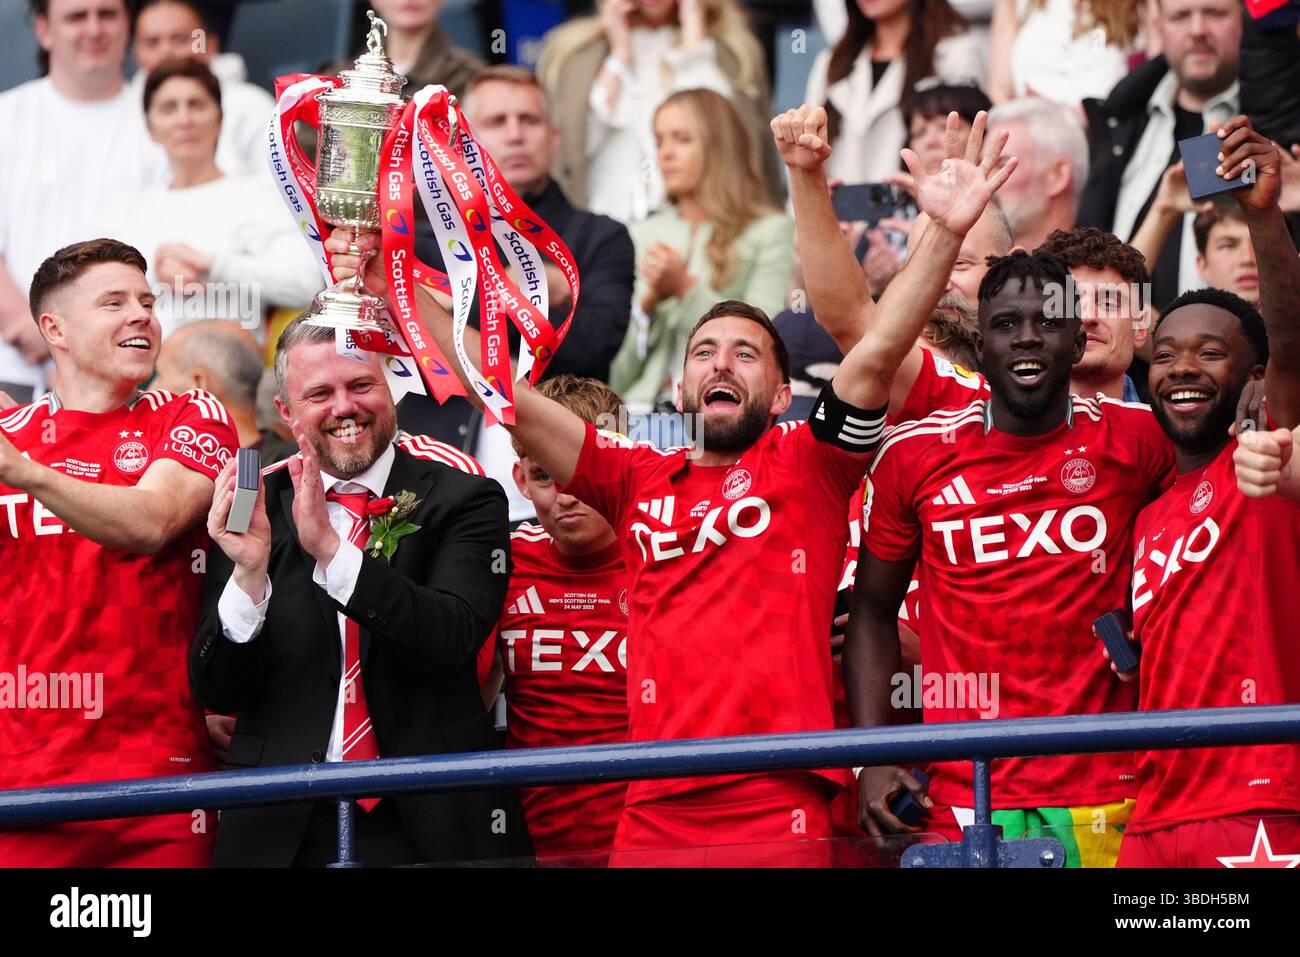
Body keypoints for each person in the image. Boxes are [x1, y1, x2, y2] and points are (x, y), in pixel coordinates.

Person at [325, 102, 1016, 866]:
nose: (722, 363)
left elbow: (877, 338)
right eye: (704, 352)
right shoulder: (632, 473)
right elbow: (498, 391)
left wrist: (943, 231)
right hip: (650, 804)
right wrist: (388, 284)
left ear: (783, 395)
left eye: (747, 354)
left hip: (777, 800)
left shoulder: (815, 465)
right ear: (681, 390)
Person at [846, 251, 1174, 867]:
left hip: (1108, 786)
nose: (1027, 337)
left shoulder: (1142, 439)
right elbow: (871, 611)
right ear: (982, 341)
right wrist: (873, 755)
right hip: (966, 788)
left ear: (1078, 342)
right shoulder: (913, 457)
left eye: (1048, 322)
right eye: (1006, 323)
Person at [191, 317, 527, 867]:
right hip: (280, 825)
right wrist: (249, 574)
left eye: (361, 385)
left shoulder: (466, 498)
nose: (344, 407)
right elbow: (219, 688)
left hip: (435, 817)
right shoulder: (257, 502)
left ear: (391, 386)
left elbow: (450, 637)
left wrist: (332, 551)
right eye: (319, 393)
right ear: (286, 411)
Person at [0, 238, 237, 866]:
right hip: (20, 782)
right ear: (54, 329)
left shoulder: (190, 412)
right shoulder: (10, 440)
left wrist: (28, 474)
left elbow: (153, 521)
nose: (141, 315)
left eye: (146, 301)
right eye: (114, 302)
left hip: (158, 779)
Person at [1116, 116, 1300, 866]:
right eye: (1164, 355)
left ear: (1255, 378)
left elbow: (1290, 336)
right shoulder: (1148, 512)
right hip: (1156, 808)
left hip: (1260, 797)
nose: (1181, 368)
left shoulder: (1267, 457)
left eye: (1210, 353)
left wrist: (1262, 217)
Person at [404, 64, 635, 524]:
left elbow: (592, 345)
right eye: (496, 122)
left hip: (566, 477)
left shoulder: (601, 237)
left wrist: (461, 305)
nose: (515, 135)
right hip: (434, 476)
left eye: (528, 120)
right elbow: (416, 351)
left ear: (553, 138)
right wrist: (534, 292)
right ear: (457, 145)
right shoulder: (419, 242)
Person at [489, 374, 630, 865]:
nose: (567, 493)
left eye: (580, 471)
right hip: (525, 838)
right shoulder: (499, 562)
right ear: (521, 479)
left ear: (618, 462)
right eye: (546, 475)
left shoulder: (668, 553)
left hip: (650, 834)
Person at [0, 0, 167, 401]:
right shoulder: (8, 118)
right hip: (17, 369)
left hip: (139, 379)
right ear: (43, 29)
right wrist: (33, 325)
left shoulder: (167, 120)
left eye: (107, 14)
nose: (94, 29)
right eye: (76, 16)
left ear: (127, 24)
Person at [100, 58, 322, 339]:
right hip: (139, 369)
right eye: (169, 108)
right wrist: (153, 277)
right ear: (150, 129)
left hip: (226, 369)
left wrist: (214, 266)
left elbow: (305, 284)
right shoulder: (128, 210)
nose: (184, 119)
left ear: (219, 120)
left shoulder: (257, 195)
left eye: (196, 105)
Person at [610, 89, 794, 411]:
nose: (665, 153)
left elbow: (764, 345)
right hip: (634, 415)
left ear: (719, 146)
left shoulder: (770, 230)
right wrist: (647, 307)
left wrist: (683, 288)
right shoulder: (640, 234)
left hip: (723, 417)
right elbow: (616, 376)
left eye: (681, 139)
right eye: (659, 141)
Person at [537, 0, 781, 222]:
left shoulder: (734, 52)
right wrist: (618, 58)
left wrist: (693, 38)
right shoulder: (572, 52)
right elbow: (570, 150)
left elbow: (724, 139)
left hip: (706, 225)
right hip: (605, 222)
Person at [1079, 0, 1242, 308]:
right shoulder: (1119, 120)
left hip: (1235, 350)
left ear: (1244, 19)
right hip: (1122, 346)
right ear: (1158, 24)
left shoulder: (1277, 125)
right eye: (1181, 15)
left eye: (1215, 13)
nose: (1197, 30)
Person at [805, 0, 985, 184]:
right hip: (835, 208)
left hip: (921, 206)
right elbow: (806, 150)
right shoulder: (830, 63)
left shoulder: (954, 55)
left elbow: (970, 147)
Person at [130, 0, 276, 177]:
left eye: (181, 39)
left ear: (210, 44)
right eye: (152, 42)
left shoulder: (251, 104)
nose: (166, 51)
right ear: (136, 53)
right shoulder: (125, 113)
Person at [1036, 226, 1152, 402]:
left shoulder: (1165, 429)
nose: (1086, 316)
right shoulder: (982, 423)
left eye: (1108, 303)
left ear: (1140, 326)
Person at [987, 0, 1142, 108]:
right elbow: (998, 90)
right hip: (1027, 135)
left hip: (1102, 137)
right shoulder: (1016, 4)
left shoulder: (1136, 7)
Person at [986, 97, 1089, 249]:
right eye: (983, 165)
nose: (984, 180)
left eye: (1001, 164)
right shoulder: (969, 267)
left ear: (1058, 176)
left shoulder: (1098, 270)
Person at [153, 319, 266, 449]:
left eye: (159, 375)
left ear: (198, 385)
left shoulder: (289, 468)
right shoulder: (283, 463)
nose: (150, 389)